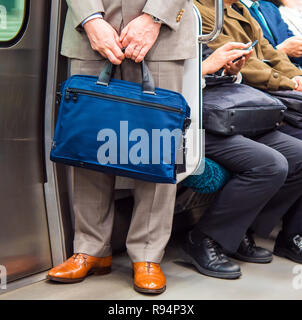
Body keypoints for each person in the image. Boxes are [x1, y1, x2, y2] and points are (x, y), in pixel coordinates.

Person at [47, 0, 196, 295]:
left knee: (156, 147)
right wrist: (90, 19)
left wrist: (154, 17)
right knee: (89, 143)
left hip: (162, 32)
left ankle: (147, 254)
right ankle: (91, 248)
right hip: (89, 32)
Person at [182, 4, 302, 279]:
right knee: (271, 164)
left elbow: (260, 53)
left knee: (299, 153)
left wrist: (227, 70)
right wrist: (208, 68)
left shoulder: (232, 7)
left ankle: (237, 231)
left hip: (230, 105)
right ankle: (203, 238)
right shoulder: (191, 12)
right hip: (198, 117)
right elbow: (171, 78)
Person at [241, 0, 302, 68]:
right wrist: (281, 50)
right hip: (267, 74)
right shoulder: (235, 10)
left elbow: (292, 43)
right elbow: (247, 61)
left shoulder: (269, 7)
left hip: (292, 71)